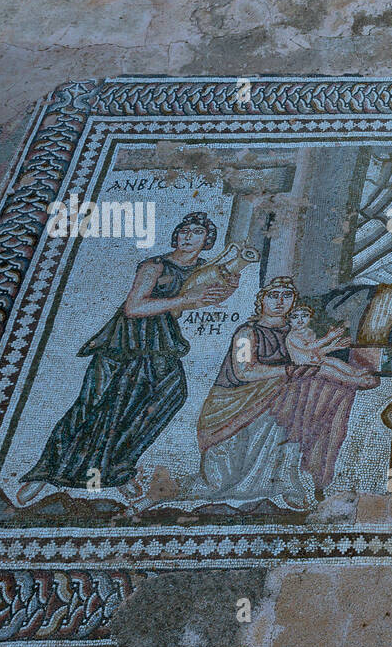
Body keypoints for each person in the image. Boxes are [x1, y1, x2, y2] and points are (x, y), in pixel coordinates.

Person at [17, 212, 234, 507]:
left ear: (207, 239)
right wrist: (185, 301)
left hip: (160, 340)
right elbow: (133, 307)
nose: (187, 236)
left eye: (196, 231)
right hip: (124, 341)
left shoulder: (200, 268)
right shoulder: (155, 265)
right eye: (183, 230)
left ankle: (118, 469)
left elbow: (202, 295)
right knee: (95, 404)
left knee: (166, 398)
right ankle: (46, 473)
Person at [185, 277, 378, 510]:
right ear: (261, 301)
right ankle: (268, 479)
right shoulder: (247, 333)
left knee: (320, 391)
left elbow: (314, 359)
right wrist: (287, 370)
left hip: (278, 394)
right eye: (273, 295)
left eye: (286, 296)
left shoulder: (294, 332)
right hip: (237, 403)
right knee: (287, 404)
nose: (280, 301)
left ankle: (292, 477)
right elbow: (245, 371)